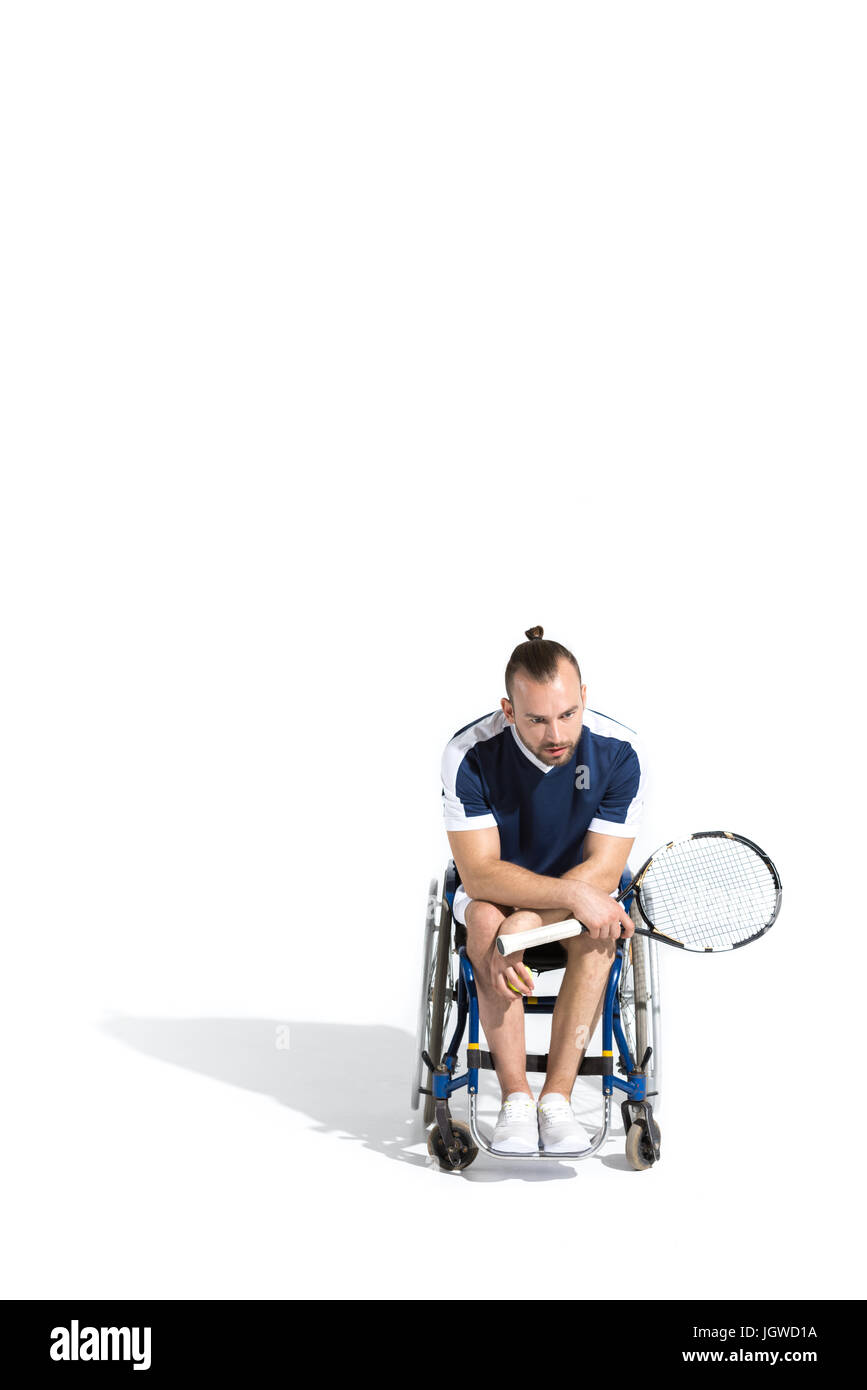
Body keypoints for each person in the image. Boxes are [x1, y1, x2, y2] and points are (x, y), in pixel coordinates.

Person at [440, 627, 646, 1154]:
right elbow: (481, 874)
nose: (556, 733)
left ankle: (556, 1099)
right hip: (495, 896)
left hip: (576, 898)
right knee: (485, 921)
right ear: (508, 711)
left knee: (600, 930)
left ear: (584, 699)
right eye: (536, 720)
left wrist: (528, 922)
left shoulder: (620, 753)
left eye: (568, 714)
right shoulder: (468, 753)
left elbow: (603, 870)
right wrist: (513, 917)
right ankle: (515, 1099)